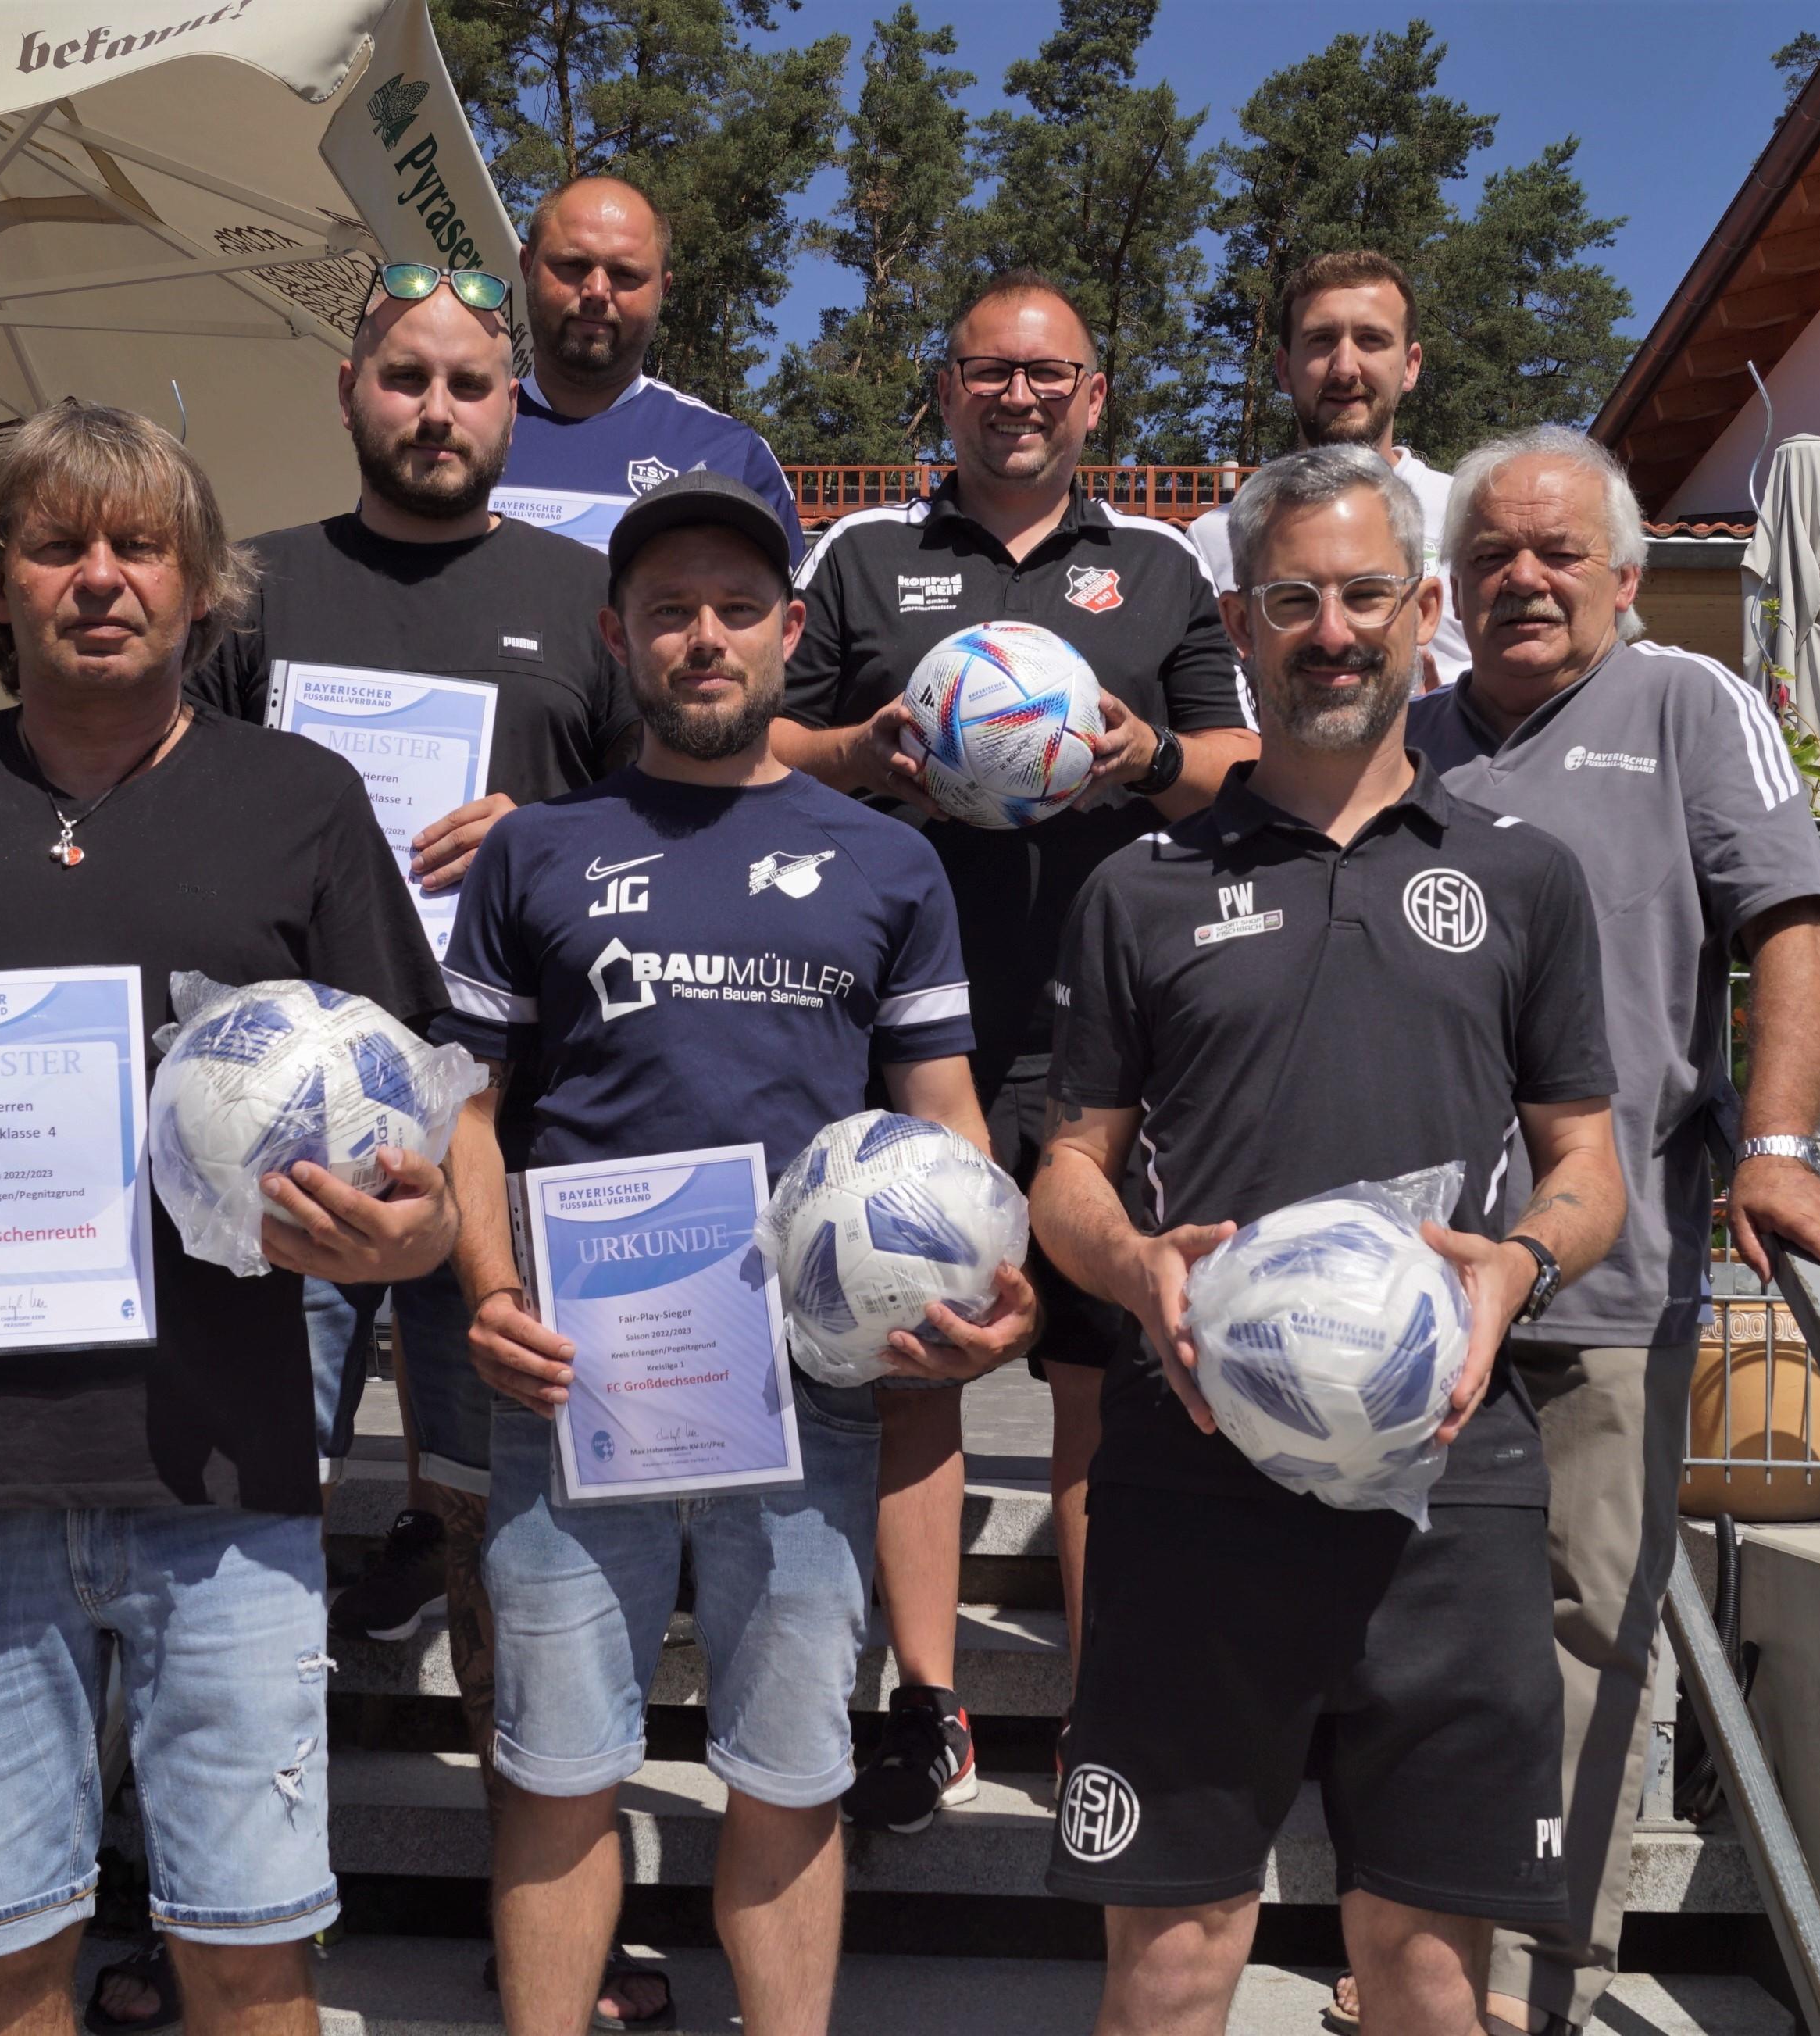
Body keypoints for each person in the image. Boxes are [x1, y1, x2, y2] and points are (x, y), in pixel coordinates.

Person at [0, 399, 458, 2036]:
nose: (102, 577)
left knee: (250, 1953)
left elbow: (420, 1115)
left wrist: (408, 1237)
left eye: (142, 546)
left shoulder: (301, 797)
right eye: (58, 544)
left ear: (207, 587)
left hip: (226, 1471)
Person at [1030, 442, 1627, 2036]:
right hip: (1191, 1471)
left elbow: (1586, 1164)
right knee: (1170, 1957)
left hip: (1449, 1477)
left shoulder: (1520, 878)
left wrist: (1518, 1264)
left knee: (1429, 1970)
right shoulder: (1139, 888)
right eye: (1293, 598)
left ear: (1422, 610)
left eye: (1367, 593)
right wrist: (1131, 1262)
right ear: (1239, 619)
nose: (1333, 629)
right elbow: (1066, 1174)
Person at [445, 472, 1038, 2036]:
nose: (700, 637)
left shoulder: (886, 864)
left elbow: (941, 1112)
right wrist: (490, 1293)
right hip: (584, 1389)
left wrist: (990, 1282)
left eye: (731, 609)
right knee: (559, 1768)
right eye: (666, 612)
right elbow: (468, 1103)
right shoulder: (537, 853)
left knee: (787, 1777)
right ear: (616, 638)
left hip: (805, 1395)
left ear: (788, 631)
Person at [777, 269, 1256, 1834]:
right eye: (989, 371)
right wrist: (856, 755)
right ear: (949, 390)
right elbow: (761, 740)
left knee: (1092, 1376)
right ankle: (927, 1699)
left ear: (1095, 397)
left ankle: (1103, 1691)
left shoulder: (1165, 567)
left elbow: (1244, 762)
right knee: (916, 1359)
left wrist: (1153, 757)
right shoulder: (861, 558)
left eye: (1050, 373)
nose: (1020, 397)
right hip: (906, 1030)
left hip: (1113, 1040)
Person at [1401, 424, 1820, 2036]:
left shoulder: (1684, 705)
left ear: (1623, 572)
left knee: (1589, 1625)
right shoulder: (1408, 734)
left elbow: (1793, 927)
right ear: (1451, 584)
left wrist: (1781, 1143)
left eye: (1555, 553)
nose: (1521, 579)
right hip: (1403, 1287)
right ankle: (1415, 1967)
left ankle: (1536, 1979)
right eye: (1490, 558)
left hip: (1611, 1270)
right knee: (1417, 1639)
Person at [186, 259, 637, 1692]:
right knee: (256, 1485)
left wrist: (550, 828)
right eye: (405, 377)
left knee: (498, 1493)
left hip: (505, 1120)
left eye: (466, 384)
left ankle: (524, 1815)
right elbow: (173, 804)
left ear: (512, 404)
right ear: (348, 393)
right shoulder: (251, 591)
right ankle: (234, 1843)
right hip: (292, 1125)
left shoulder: (594, 603)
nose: (435, 410)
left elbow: (678, 815)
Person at [487, 176, 805, 559]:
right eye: (573, 264)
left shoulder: (733, 457)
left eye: (626, 274)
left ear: (663, 290)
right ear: (527, 268)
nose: (597, 291)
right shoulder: (453, 437)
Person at [1193, 252, 1470, 688]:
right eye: (1321, 340)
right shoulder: (1213, 540)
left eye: (1371, 340)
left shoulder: (1471, 514)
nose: (1345, 368)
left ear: (1411, 366)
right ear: (1285, 369)